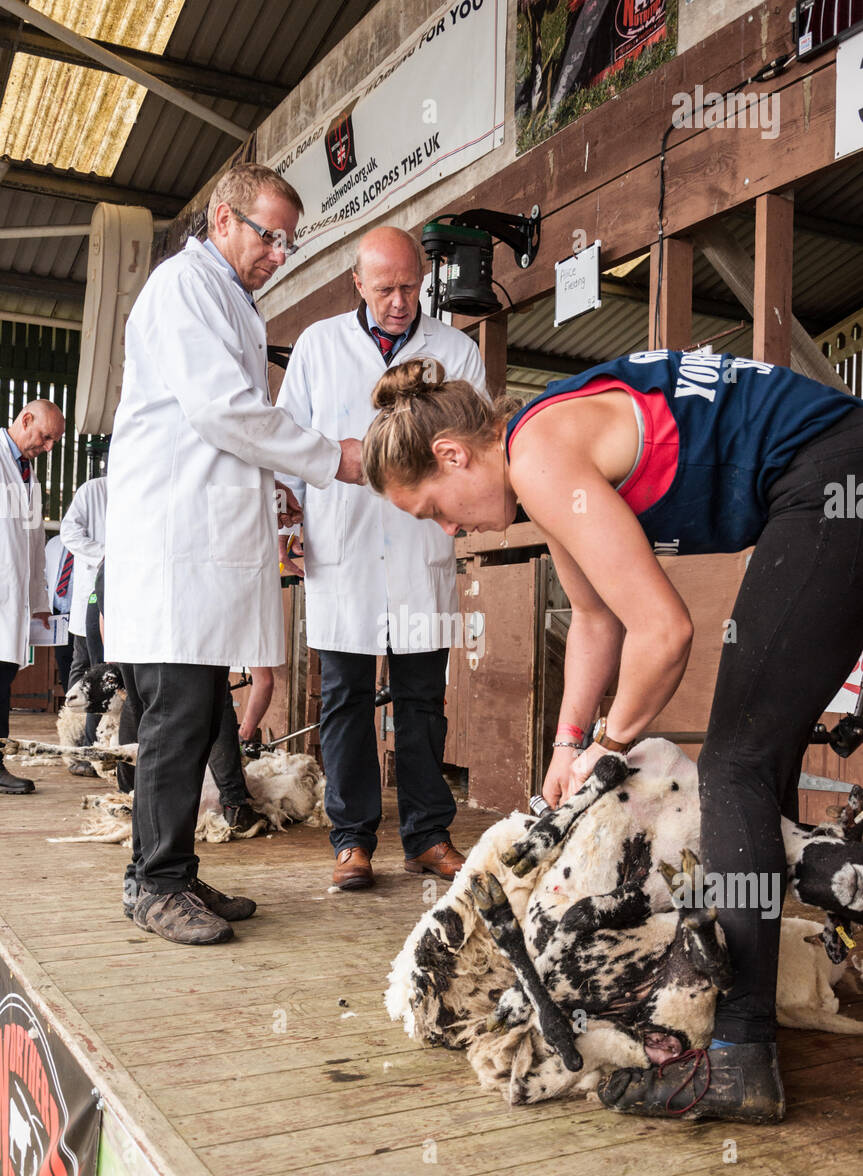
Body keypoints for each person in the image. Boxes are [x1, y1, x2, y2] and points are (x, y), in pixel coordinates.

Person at [362, 349, 863, 1124]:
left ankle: (739, 1058)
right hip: (830, 478)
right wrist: (569, 746)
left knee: (732, 766)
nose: (451, 528)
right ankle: (751, 1009)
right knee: (756, 760)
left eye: (433, 507)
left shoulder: (538, 456)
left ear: (452, 454)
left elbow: (663, 631)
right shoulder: (540, 451)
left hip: (835, 480)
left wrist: (613, 741)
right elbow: (597, 619)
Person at [104, 162, 364, 948]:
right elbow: (224, 410)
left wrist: (275, 485)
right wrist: (329, 458)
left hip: (202, 540)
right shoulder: (185, 286)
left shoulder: (226, 298)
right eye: (269, 235)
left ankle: (172, 867)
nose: (279, 252)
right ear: (222, 220)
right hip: (175, 543)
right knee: (178, 718)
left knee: (198, 708)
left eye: (288, 240)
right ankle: (153, 883)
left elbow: (229, 425)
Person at [277, 226, 487, 890]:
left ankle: (426, 834)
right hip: (339, 544)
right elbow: (287, 440)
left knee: (423, 698)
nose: (399, 301)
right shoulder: (317, 345)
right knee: (344, 697)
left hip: (420, 545)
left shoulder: (455, 350)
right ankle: (352, 840)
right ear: (358, 284)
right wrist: (287, 514)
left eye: (410, 287)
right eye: (386, 287)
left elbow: (477, 443)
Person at [0, 400, 65, 795]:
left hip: (12, 602)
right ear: (25, 420)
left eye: (55, 440)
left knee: (1, 682)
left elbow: (35, 545)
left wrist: (40, 601)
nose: (49, 446)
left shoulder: (28, 474)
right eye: (45, 436)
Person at [61, 473, 108, 774]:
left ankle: (89, 747)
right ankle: (78, 748)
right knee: (89, 672)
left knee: (96, 671)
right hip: (93, 593)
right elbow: (69, 531)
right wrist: (105, 555)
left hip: (119, 596)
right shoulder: (93, 491)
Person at [44, 533, 74, 691]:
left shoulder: (89, 543)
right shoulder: (53, 544)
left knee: (85, 660)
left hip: (80, 611)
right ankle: (71, 707)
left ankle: (89, 711)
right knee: (63, 659)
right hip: (58, 612)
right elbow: (44, 574)